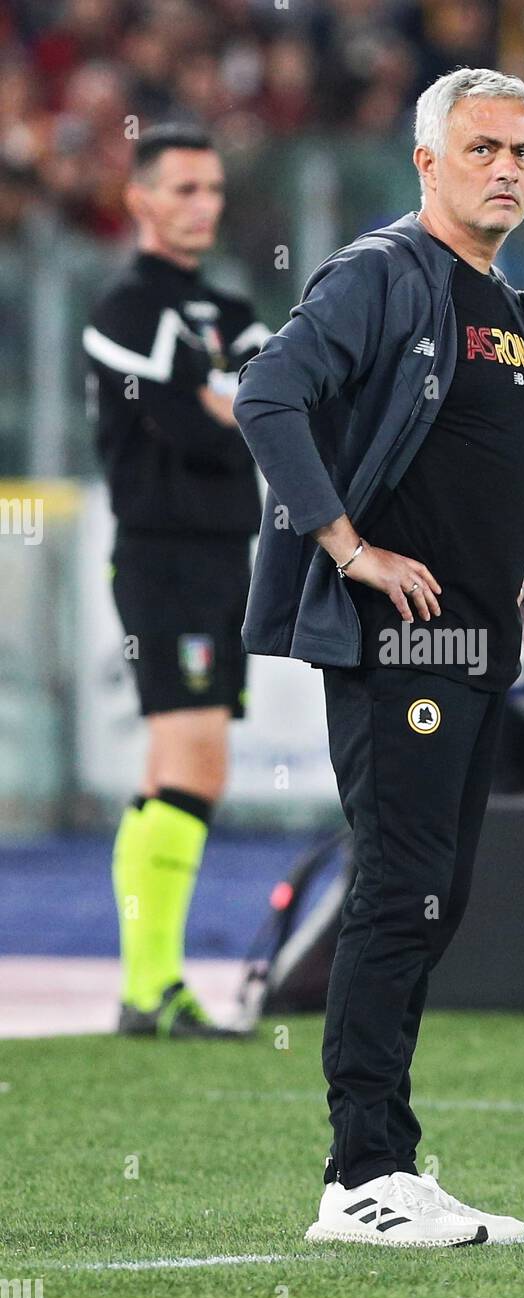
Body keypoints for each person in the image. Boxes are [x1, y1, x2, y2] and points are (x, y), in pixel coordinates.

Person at [234, 68, 524, 1247]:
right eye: (480, 149)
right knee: (396, 885)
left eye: (520, 151)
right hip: (396, 643)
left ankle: (391, 1163)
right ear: (425, 162)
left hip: (473, 645)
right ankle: (357, 1175)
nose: (505, 169)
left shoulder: (507, 303)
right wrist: (347, 547)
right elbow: (268, 393)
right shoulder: (380, 273)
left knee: (433, 893)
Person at [83, 124, 270, 1038]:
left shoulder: (231, 310)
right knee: (192, 761)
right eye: (185, 189)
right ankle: (150, 983)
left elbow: (280, 408)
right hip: (162, 556)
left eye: (214, 190)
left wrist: (225, 400)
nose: (204, 206)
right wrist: (227, 403)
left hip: (224, 556)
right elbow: (184, 424)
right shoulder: (123, 308)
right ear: (142, 200)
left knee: (182, 767)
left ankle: (148, 989)